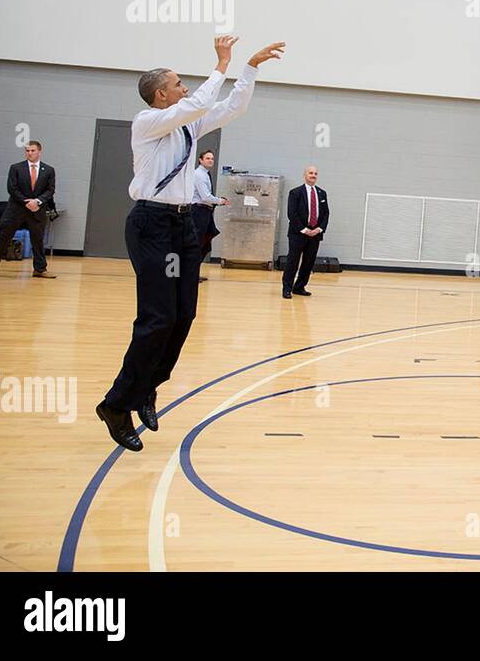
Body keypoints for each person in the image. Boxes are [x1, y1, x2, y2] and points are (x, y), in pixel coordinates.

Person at [95, 36, 285, 452]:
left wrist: (248, 68)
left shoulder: (187, 122)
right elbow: (198, 103)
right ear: (161, 94)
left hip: (181, 230)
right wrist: (221, 63)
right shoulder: (146, 121)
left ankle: (148, 387)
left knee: (183, 314)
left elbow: (231, 108)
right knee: (157, 318)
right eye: (178, 83)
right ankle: (116, 404)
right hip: (152, 226)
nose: (184, 87)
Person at [0, 141, 57, 279]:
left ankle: (40, 269)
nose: (29, 153)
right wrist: (27, 201)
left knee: (37, 240)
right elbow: (12, 188)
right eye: (27, 151)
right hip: (15, 209)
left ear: (39, 152)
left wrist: (37, 201)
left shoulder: (48, 170)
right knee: (3, 237)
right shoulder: (16, 168)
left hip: (37, 210)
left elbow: (50, 190)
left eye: (32, 150)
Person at [283, 165, 328, 299]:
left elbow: (326, 214)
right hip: (298, 233)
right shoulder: (295, 192)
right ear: (305, 175)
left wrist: (319, 229)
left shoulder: (322, 193)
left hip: (315, 234)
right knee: (293, 261)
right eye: (310, 173)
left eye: (315, 173)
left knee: (308, 262)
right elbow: (292, 213)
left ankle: (299, 287)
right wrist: (304, 229)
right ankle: (287, 288)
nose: (313, 175)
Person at [191, 149, 229, 282]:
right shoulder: (199, 175)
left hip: (206, 211)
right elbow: (205, 196)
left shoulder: (206, 174)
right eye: (207, 158)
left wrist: (217, 201)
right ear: (200, 160)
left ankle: (194, 272)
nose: (210, 160)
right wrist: (220, 201)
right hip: (198, 211)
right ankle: (191, 274)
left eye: (212, 158)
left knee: (205, 243)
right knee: (198, 242)